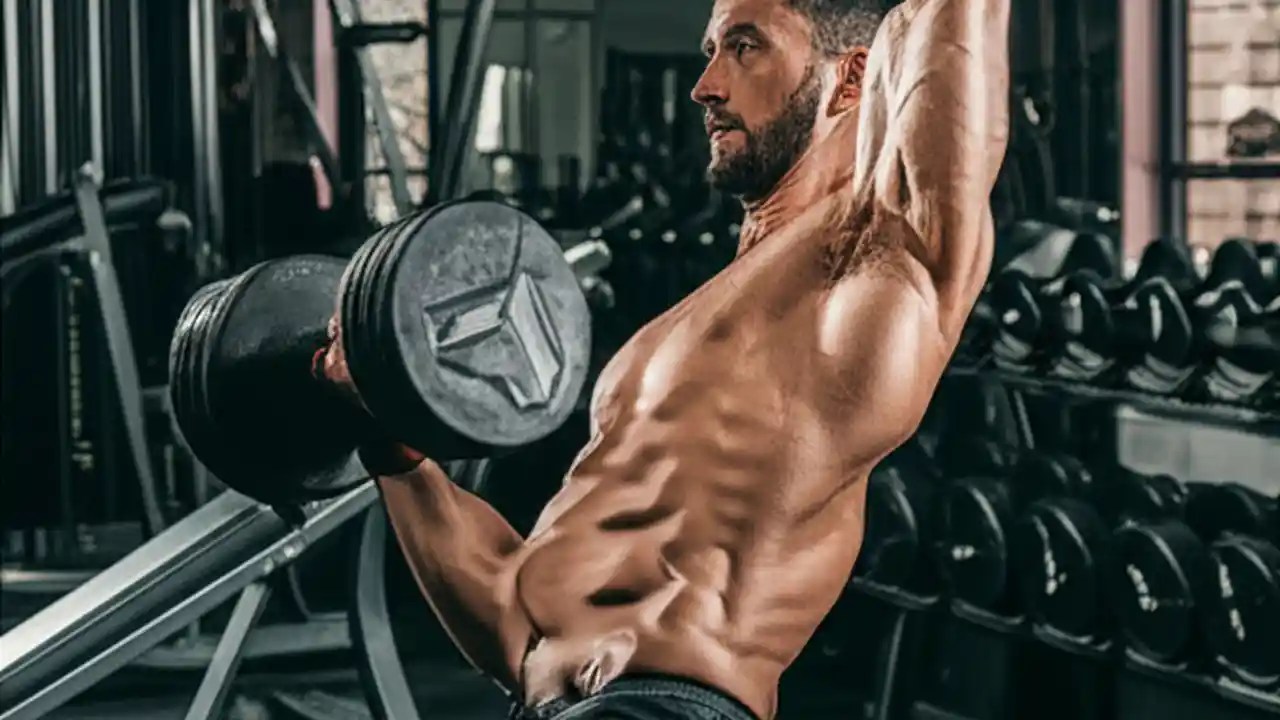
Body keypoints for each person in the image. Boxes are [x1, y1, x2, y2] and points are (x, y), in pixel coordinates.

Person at [317, 0, 1009, 717]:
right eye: (709, 51)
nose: (704, 86)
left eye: (745, 48)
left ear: (849, 78)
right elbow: (505, 606)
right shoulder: (683, 328)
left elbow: (953, 34)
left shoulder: (873, 263)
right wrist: (388, 442)